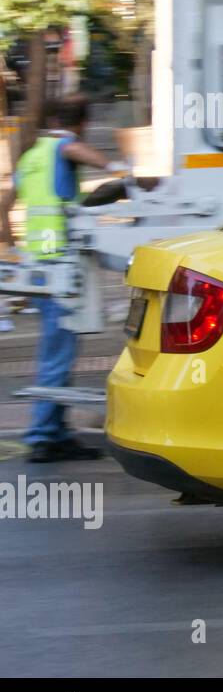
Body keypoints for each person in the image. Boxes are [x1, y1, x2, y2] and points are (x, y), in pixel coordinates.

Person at [14, 96, 114, 463]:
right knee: (56, 357)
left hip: (38, 266)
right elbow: (76, 150)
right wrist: (120, 166)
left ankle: (55, 431)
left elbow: (9, 196)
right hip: (61, 270)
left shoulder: (31, 156)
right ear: (83, 123)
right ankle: (42, 437)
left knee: (58, 354)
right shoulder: (61, 147)